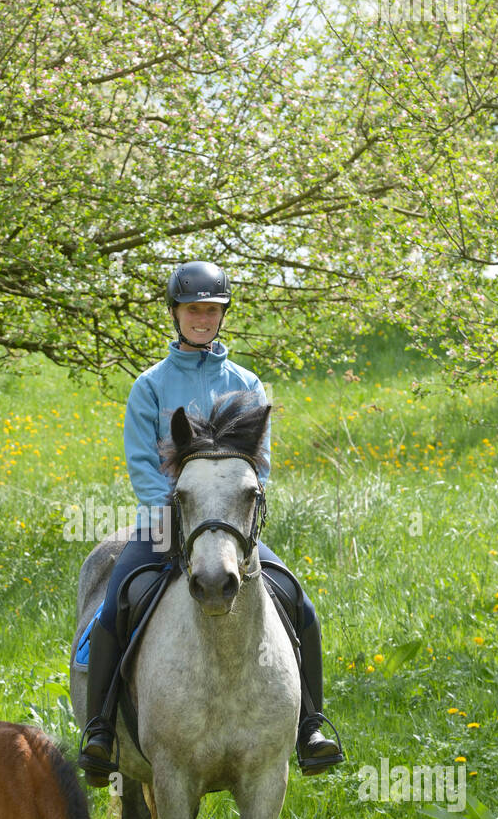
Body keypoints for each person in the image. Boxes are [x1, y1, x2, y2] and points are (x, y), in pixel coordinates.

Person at [77, 259, 344, 786]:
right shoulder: (150, 387)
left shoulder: (246, 383)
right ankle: (101, 729)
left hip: (232, 530)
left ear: (223, 315)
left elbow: (259, 466)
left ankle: (310, 724)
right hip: (164, 526)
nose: (202, 318)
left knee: (298, 599)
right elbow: (142, 466)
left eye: (212, 310)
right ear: (175, 313)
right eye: (193, 309)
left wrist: (229, 521)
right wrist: (179, 519)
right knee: (116, 602)